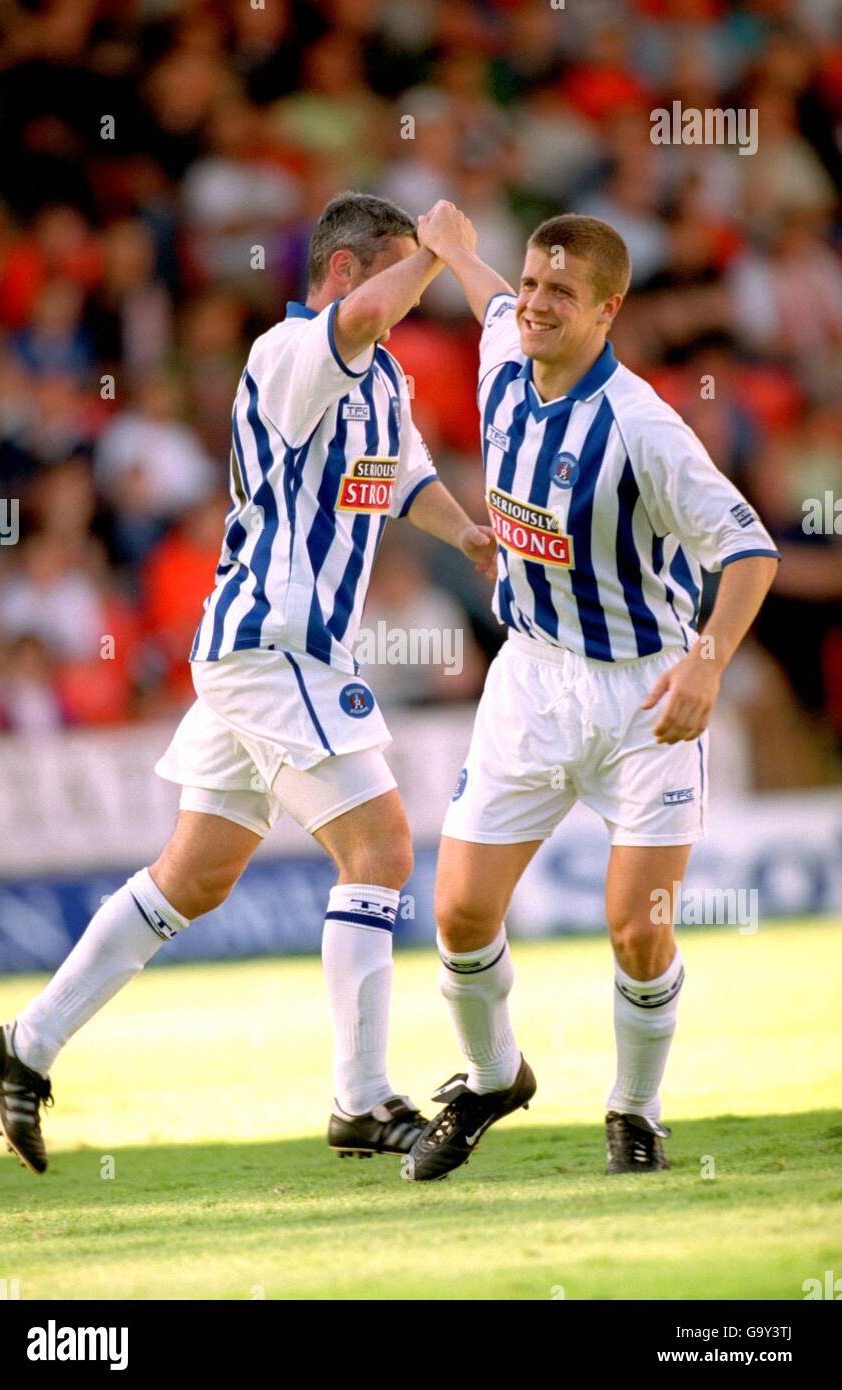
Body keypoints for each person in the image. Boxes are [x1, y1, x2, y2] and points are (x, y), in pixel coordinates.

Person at [0, 193, 497, 1175]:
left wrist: (464, 530)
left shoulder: (379, 380)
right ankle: (358, 1096)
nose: (408, 293)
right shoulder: (288, 353)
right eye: (395, 271)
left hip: (272, 659)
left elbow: (400, 477)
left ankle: (24, 1042)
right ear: (344, 272)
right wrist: (439, 249)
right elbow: (371, 316)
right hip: (274, 645)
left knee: (193, 878)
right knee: (381, 847)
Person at [402, 205, 779, 1182]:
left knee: (638, 924)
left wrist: (705, 660)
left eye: (558, 294)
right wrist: (457, 253)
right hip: (529, 678)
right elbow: (489, 302)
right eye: (530, 285)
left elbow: (747, 550)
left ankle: (634, 1110)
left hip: (643, 694)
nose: (532, 305)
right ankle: (493, 1078)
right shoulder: (502, 348)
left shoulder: (644, 429)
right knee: (461, 916)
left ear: (607, 310)